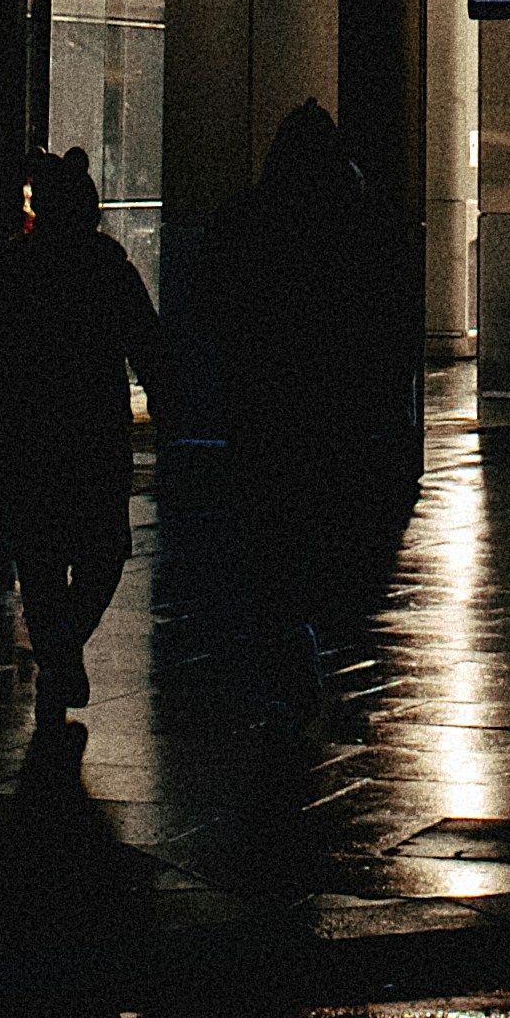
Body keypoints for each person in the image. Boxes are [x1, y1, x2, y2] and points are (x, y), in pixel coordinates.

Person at [196, 100, 421, 726]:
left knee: (267, 530)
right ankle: (299, 629)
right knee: (318, 527)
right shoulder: (352, 226)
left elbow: (211, 306)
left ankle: (285, 634)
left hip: (261, 409)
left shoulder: (243, 221)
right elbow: (389, 317)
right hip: (330, 413)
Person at [0, 145, 167, 729]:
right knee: (103, 554)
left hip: (29, 436)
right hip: (94, 434)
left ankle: (58, 657)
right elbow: (149, 346)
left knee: (38, 559)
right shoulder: (107, 265)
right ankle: (63, 653)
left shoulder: (14, 267)